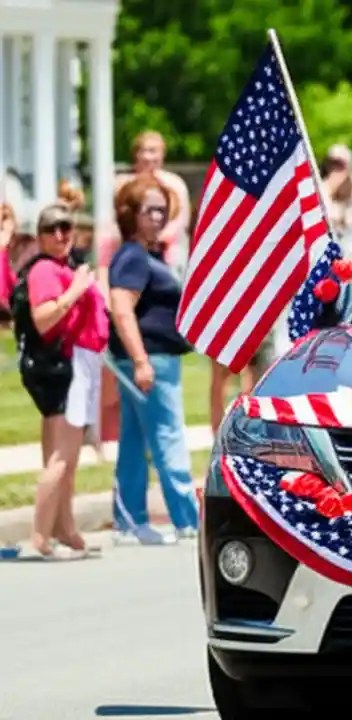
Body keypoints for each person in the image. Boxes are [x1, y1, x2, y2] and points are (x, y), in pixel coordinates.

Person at [11, 204, 109, 559]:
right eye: (51, 230)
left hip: (66, 368)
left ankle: (65, 530)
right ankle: (39, 535)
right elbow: (43, 318)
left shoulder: (61, 266)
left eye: (65, 228)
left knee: (63, 457)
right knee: (62, 458)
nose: (60, 235)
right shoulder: (46, 271)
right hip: (61, 372)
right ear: (40, 237)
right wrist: (77, 290)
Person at [107, 175, 200, 544]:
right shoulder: (132, 256)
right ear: (131, 214)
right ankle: (188, 520)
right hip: (150, 360)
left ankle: (129, 521)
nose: (159, 216)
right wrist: (142, 360)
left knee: (133, 442)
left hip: (148, 360)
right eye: (151, 210)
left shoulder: (146, 254)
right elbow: (121, 308)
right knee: (168, 437)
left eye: (163, 209)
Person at [99, 131, 192, 283]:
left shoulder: (174, 184)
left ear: (162, 155)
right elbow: (113, 221)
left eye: (154, 151)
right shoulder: (122, 184)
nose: (149, 157)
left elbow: (181, 222)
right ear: (136, 154)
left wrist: (158, 238)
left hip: (167, 255)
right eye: (144, 151)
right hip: (129, 250)